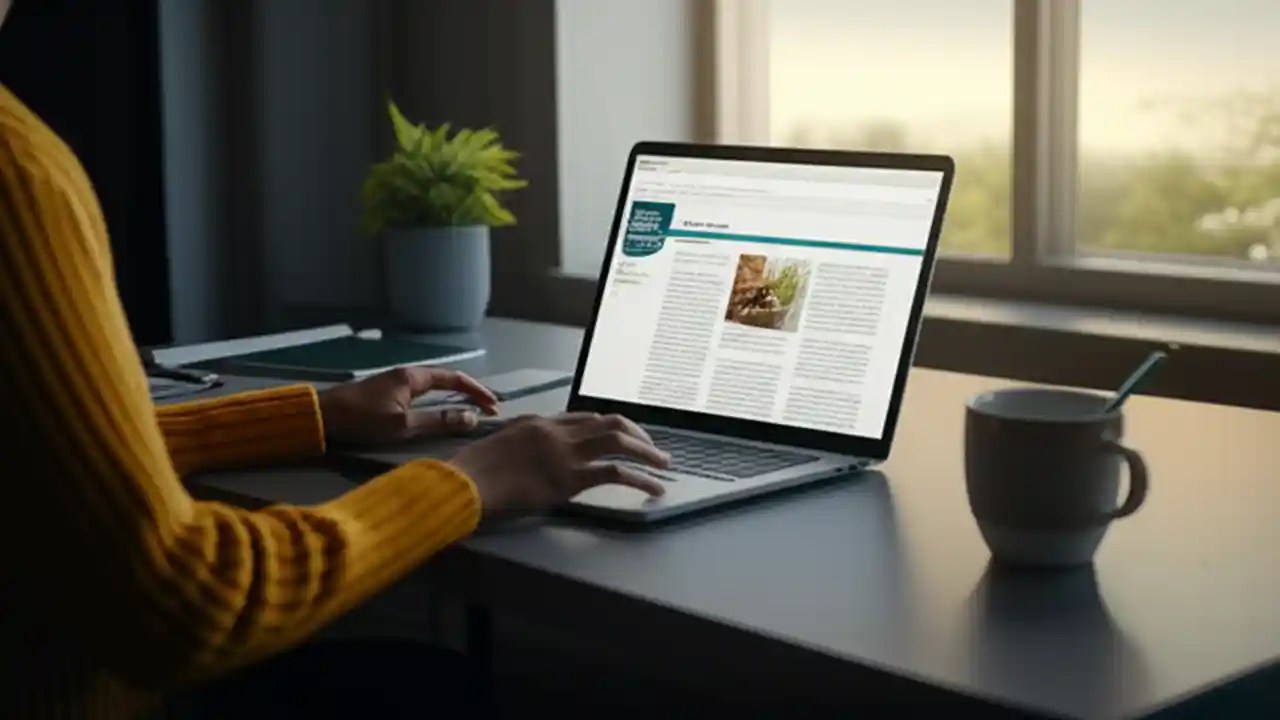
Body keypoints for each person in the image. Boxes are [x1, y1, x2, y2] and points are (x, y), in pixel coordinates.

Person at [0, 1, 669, 717]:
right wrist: (470, 480)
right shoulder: (18, 176)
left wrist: (306, 416)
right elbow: (185, 599)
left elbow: (31, 463)